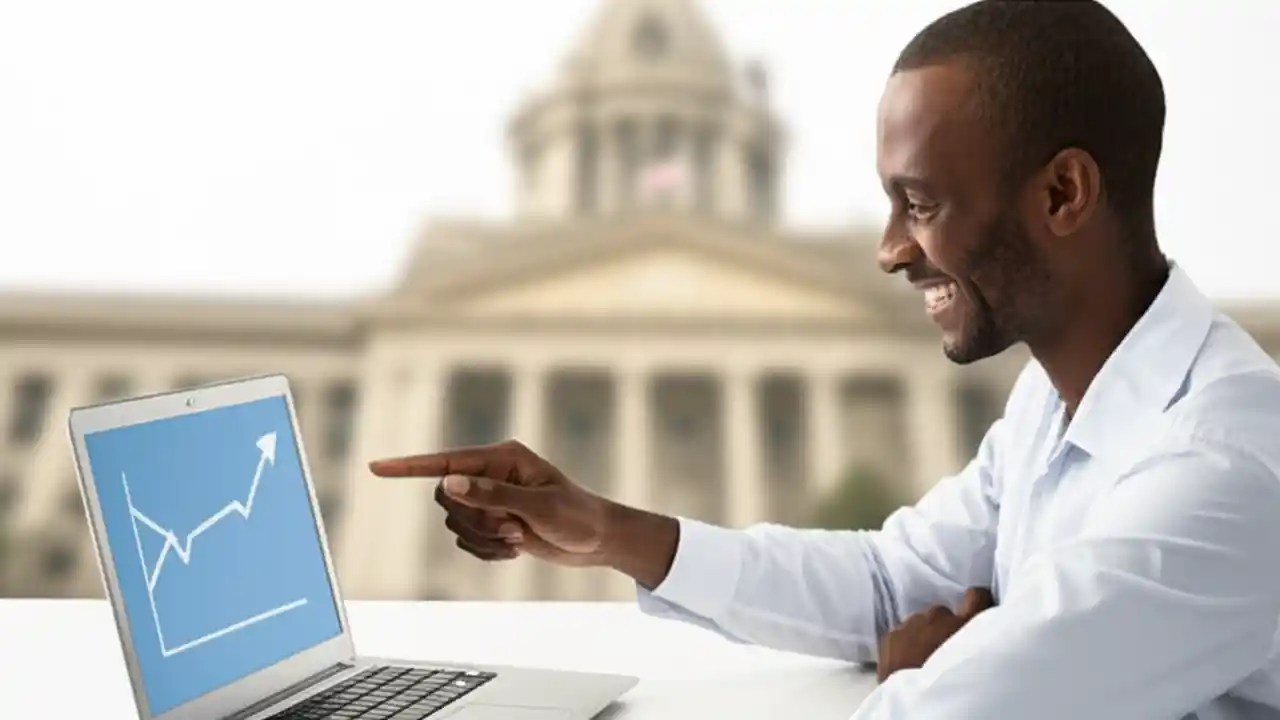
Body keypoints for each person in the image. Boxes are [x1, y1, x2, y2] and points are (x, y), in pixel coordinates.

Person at [370, 1, 1280, 717]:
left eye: (920, 202)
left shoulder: (1224, 467)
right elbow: (891, 582)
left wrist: (910, 679)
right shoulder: (1060, 401)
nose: (889, 250)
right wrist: (609, 531)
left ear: (1063, 193)